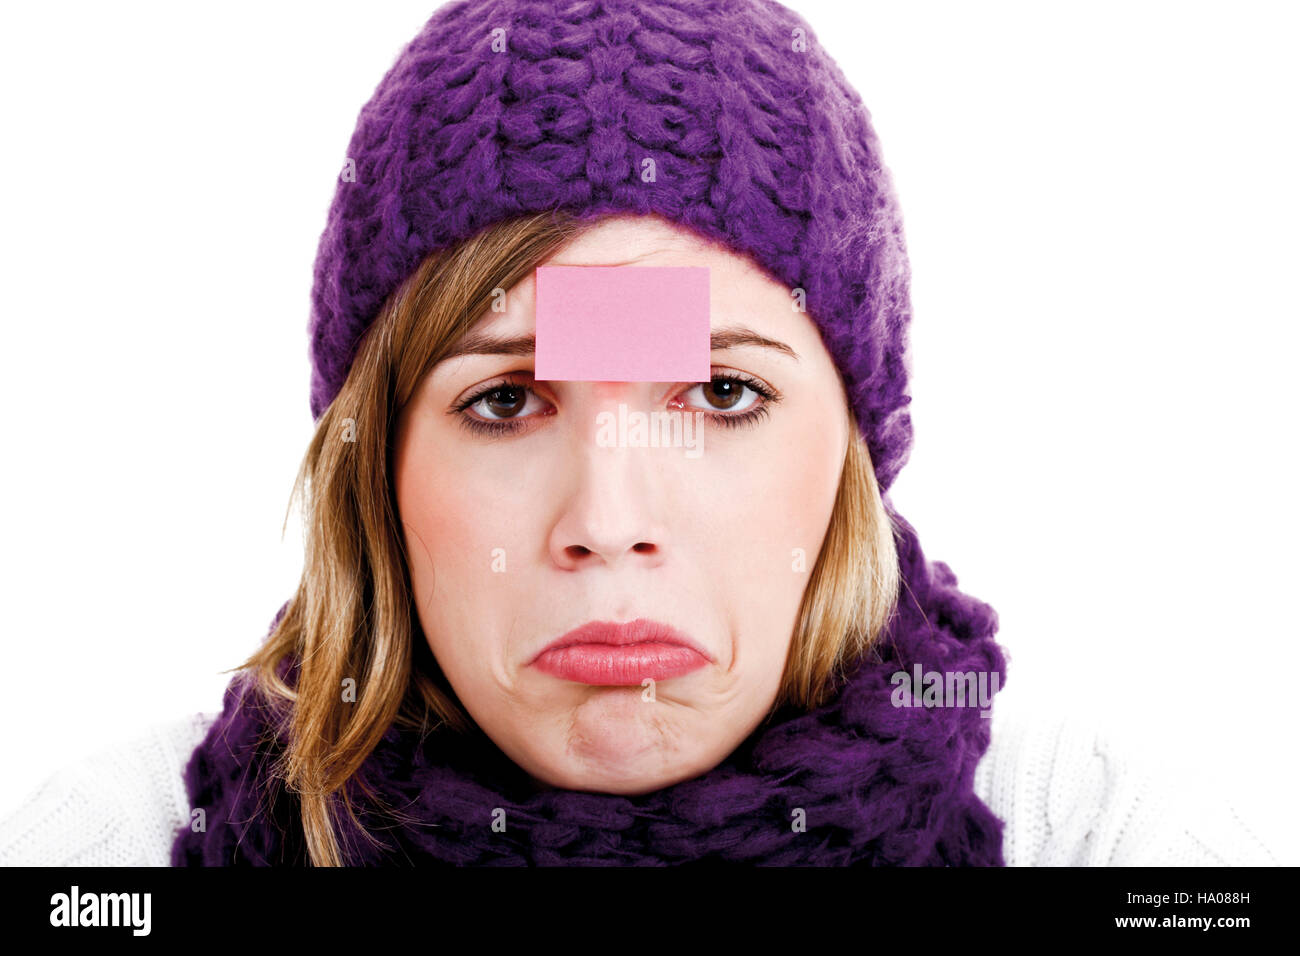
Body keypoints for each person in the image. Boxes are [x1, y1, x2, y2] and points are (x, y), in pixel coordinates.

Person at [0, 0, 1276, 867]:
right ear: (376, 469)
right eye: (505, 399)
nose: (608, 522)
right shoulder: (105, 847)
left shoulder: (1125, 836)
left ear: (850, 452)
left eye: (719, 395)